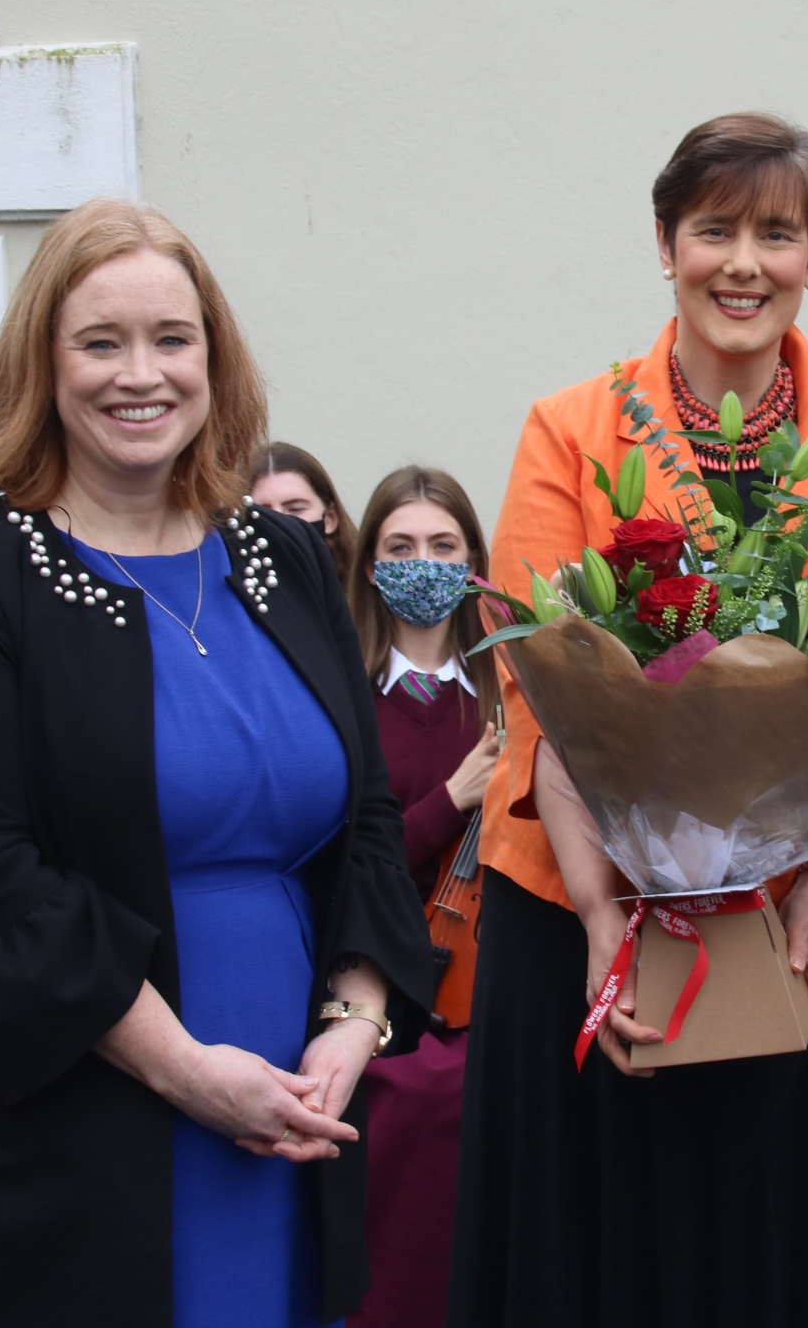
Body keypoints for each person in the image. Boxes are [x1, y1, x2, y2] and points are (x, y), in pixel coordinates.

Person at [0, 198, 438, 1327]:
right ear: (45, 361)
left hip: (290, 1079)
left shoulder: (279, 554)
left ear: (214, 359)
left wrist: (353, 1018)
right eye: (101, 341)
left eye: (172, 339)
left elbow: (369, 811)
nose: (142, 374)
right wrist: (187, 1068)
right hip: (78, 1091)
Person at [448, 112, 808, 1328]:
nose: (743, 262)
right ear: (666, 244)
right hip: (582, 913)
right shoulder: (572, 429)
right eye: (713, 228)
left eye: (777, 233)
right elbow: (544, 686)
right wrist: (607, 916)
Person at [344, 465, 501, 1328]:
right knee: (432, 1101)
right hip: (388, 970)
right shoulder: (348, 697)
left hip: (502, 967)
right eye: (400, 546)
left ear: (473, 560)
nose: (423, 563)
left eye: (443, 546)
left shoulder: (510, 690)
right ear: (369, 563)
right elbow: (347, 864)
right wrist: (452, 799)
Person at [252, 440, 358, 588]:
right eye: (263, 512)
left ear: (329, 518)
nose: (278, 522)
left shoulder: (363, 597)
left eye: (295, 509)